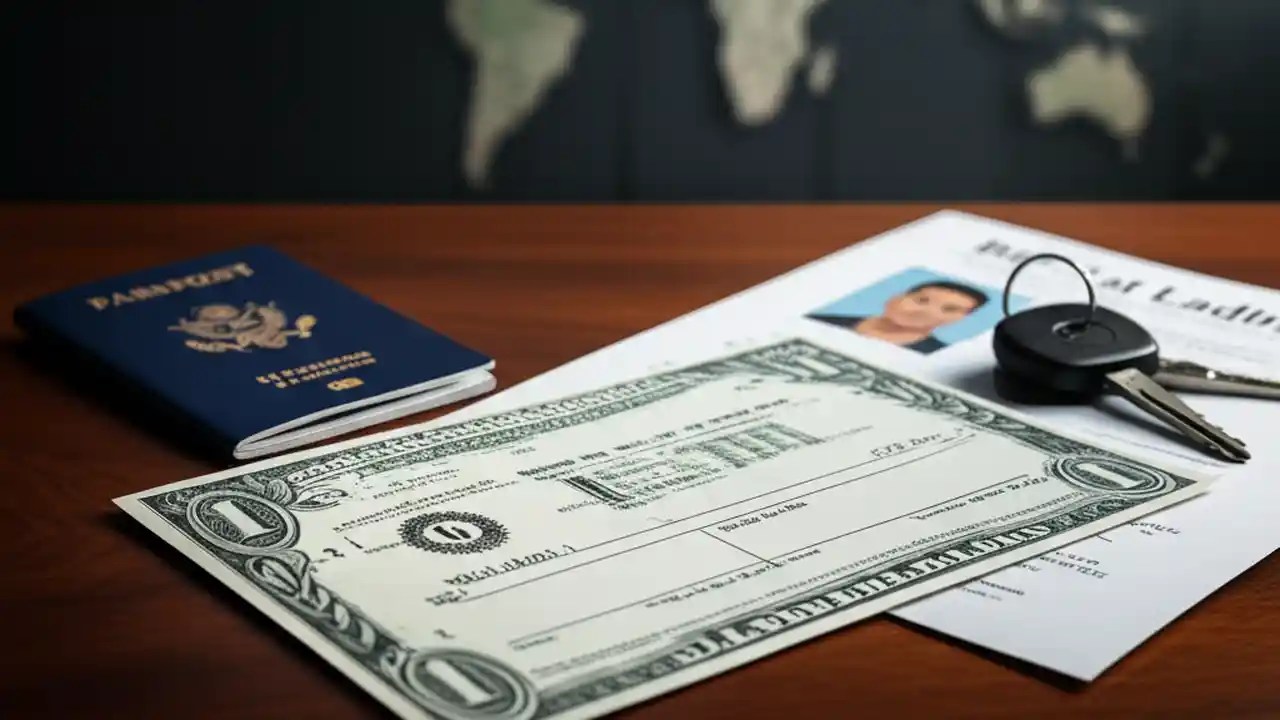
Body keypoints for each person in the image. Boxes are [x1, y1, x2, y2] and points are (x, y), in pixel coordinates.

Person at [808, 280, 988, 354]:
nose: (927, 311)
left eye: (950, 309)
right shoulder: (820, 320)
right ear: (896, 298)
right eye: (922, 300)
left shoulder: (938, 355)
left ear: (962, 318)